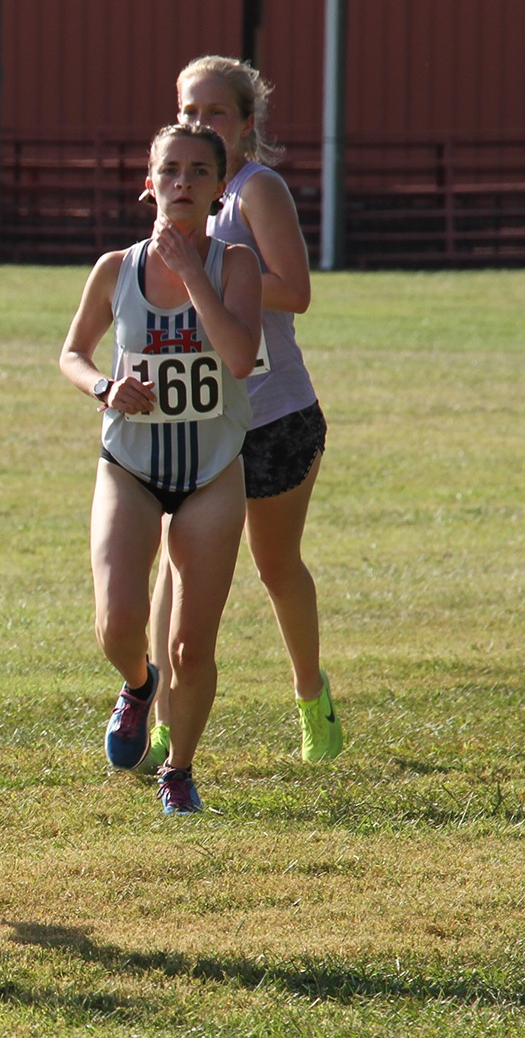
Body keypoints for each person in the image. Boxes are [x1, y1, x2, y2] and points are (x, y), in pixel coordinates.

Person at [138, 55, 343, 769]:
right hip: (196, 419)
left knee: (275, 564)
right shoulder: (175, 190)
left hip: (271, 412)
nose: (199, 126)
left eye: (214, 114)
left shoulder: (256, 190)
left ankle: (310, 695)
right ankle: (162, 715)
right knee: (173, 563)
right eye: (188, 112)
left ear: (246, 125)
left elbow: (299, 290)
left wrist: (223, 283)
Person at [60, 123, 262, 814]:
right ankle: (137, 686)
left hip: (212, 469)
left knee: (191, 645)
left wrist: (191, 274)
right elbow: (71, 353)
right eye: (168, 170)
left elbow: (238, 358)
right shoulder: (115, 268)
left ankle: (179, 767)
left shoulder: (235, 264)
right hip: (130, 462)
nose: (181, 183)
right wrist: (102, 387)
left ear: (216, 188)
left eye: (196, 172)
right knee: (118, 621)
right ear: (149, 182)